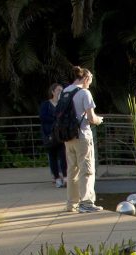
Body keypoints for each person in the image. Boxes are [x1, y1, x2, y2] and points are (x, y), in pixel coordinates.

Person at [63, 66, 104, 213]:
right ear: (86, 78)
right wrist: (99, 120)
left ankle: (71, 203)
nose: (90, 84)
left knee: (72, 171)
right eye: (90, 81)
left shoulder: (65, 91)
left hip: (67, 137)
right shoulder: (85, 93)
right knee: (86, 170)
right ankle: (86, 202)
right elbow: (91, 117)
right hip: (82, 136)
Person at [39, 82, 67, 188]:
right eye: (58, 90)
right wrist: (56, 120)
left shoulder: (63, 104)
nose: (60, 92)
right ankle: (56, 177)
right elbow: (43, 117)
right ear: (53, 92)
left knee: (63, 155)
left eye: (61, 90)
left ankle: (65, 176)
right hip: (49, 134)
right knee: (52, 157)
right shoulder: (46, 105)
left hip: (60, 134)